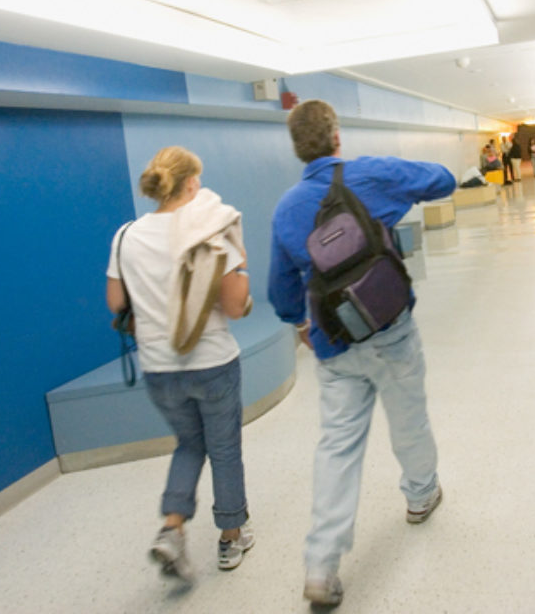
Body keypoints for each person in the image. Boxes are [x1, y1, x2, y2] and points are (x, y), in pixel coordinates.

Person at [268, 100, 454, 607]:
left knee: (337, 447)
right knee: (409, 418)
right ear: (336, 137)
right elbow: (443, 180)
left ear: (297, 147)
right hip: (390, 328)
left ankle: (321, 565)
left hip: (333, 345)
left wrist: (299, 323)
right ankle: (421, 497)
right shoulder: (370, 175)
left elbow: (280, 290)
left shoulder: (286, 209)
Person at [106, 146, 255, 584]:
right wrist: (240, 262)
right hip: (212, 362)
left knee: (189, 444)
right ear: (191, 183)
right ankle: (231, 537)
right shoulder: (210, 233)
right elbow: (233, 303)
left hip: (158, 368)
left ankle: (172, 528)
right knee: (224, 447)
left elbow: (116, 303)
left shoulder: (126, 236)